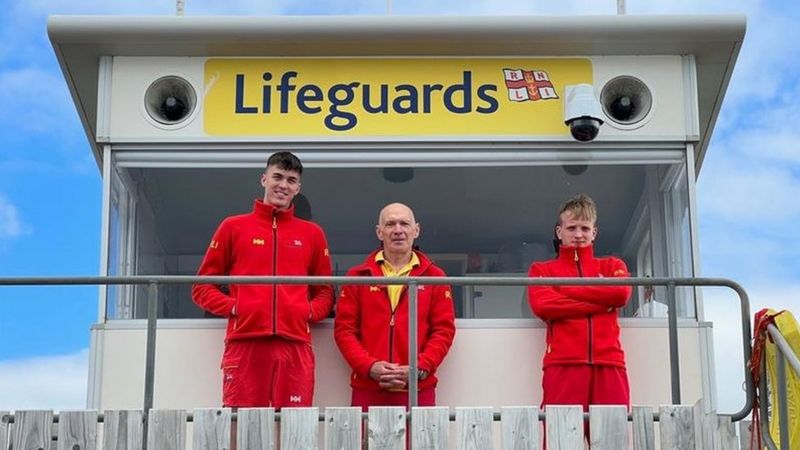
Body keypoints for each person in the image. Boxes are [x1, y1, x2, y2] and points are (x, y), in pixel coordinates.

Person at [192, 151, 334, 409]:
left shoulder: (313, 234)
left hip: (295, 345)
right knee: (242, 424)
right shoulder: (233, 227)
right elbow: (202, 286)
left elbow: (325, 292)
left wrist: (307, 311)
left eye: (291, 180)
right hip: (244, 342)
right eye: (277, 177)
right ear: (264, 179)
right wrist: (236, 307)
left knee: (295, 426)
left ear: (298, 188)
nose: (283, 185)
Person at [334, 202, 456, 410]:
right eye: (390, 224)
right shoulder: (357, 276)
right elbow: (344, 330)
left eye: (404, 224)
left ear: (416, 230)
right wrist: (369, 367)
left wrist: (418, 368)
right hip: (368, 387)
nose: (398, 230)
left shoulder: (435, 277)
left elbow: (443, 331)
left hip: (418, 388)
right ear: (379, 232)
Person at [527, 193, 632, 415]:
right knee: (561, 434)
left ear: (594, 233)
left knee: (613, 434)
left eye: (585, 228)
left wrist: (564, 289)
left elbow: (621, 294)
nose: (578, 234)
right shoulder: (541, 269)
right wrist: (603, 303)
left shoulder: (613, 265)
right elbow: (543, 306)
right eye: (571, 228)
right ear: (559, 232)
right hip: (563, 363)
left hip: (609, 363)